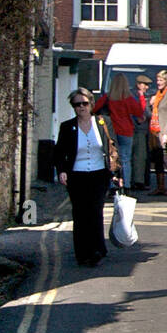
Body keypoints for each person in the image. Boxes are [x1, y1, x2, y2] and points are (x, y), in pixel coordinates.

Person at [54, 87, 118, 266]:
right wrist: (62, 171)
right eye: (76, 105)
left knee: (95, 211)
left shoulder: (103, 122)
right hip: (77, 176)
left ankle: (97, 249)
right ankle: (82, 253)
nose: (81, 107)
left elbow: (113, 147)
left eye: (84, 103)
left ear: (91, 104)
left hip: (99, 174)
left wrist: (116, 174)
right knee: (80, 214)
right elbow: (59, 152)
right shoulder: (67, 127)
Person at [101, 72, 145, 187]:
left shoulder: (107, 97)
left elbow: (95, 108)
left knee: (112, 158)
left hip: (111, 131)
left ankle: (112, 185)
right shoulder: (129, 98)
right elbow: (139, 112)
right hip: (126, 131)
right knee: (125, 159)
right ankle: (126, 185)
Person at [147, 70, 167, 196]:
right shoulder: (158, 94)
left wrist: (166, 134)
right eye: (157, 80)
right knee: (158, 160)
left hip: (163, 131)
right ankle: (160, 187)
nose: (158, 83)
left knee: (166, 159)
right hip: (154, 131)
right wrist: (151, 104)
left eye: (161, 80)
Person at [129, 73, 153, 190]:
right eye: (145, 85)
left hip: (142, 129)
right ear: (138, 85)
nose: (147, 87)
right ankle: (136, 181)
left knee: (141, 156)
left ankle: (139, 180)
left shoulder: (145, 96)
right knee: (137, 156)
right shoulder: (133, 96)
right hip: (135, 128)